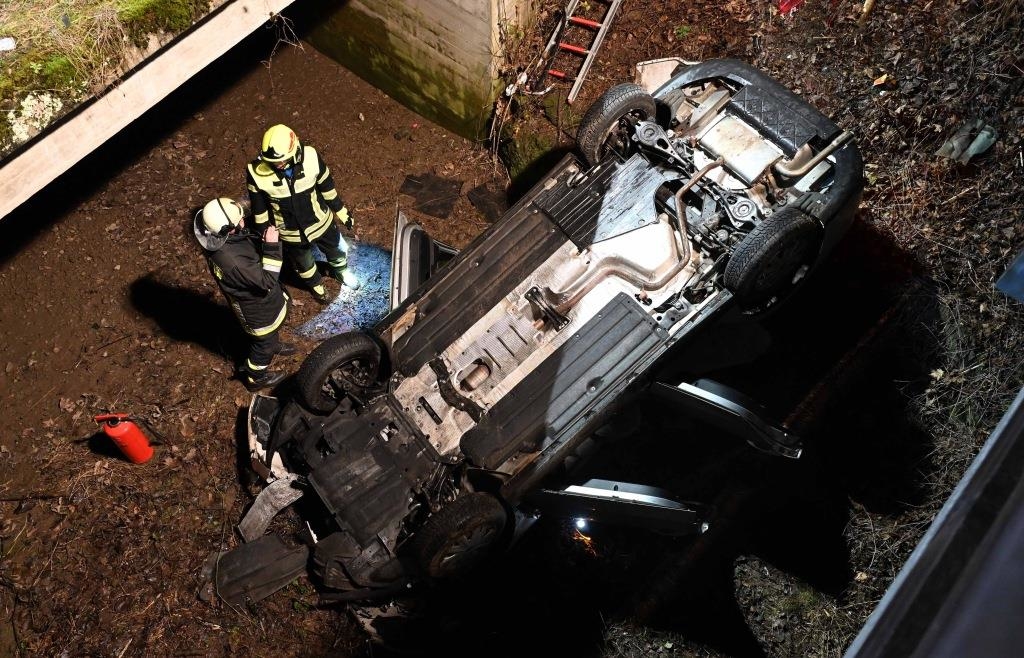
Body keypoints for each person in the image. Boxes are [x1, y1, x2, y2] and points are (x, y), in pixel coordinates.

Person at [246, 124, 359, 304]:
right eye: (273, 162)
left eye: (281, 160)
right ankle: (316, 286)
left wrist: (341, 211)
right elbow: (259, 210)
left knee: (336, 250)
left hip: (321, 221)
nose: (278, 165)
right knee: (303, 264)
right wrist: (264, 235)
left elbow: (327, 187)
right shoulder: (256, 173)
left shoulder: (311, 158)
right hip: (290, 233)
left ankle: (342, 271)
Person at [194, 197, 296, 392]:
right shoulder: (233, 261)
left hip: (261, 304)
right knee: (262, 345)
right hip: (257, 312)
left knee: (269, 338)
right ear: (228, 229)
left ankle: (272, 344)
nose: (243, 219)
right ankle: (255, 376)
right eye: (239, 218)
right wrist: (272, 246)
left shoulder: (221, 241)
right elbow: (266, 281)